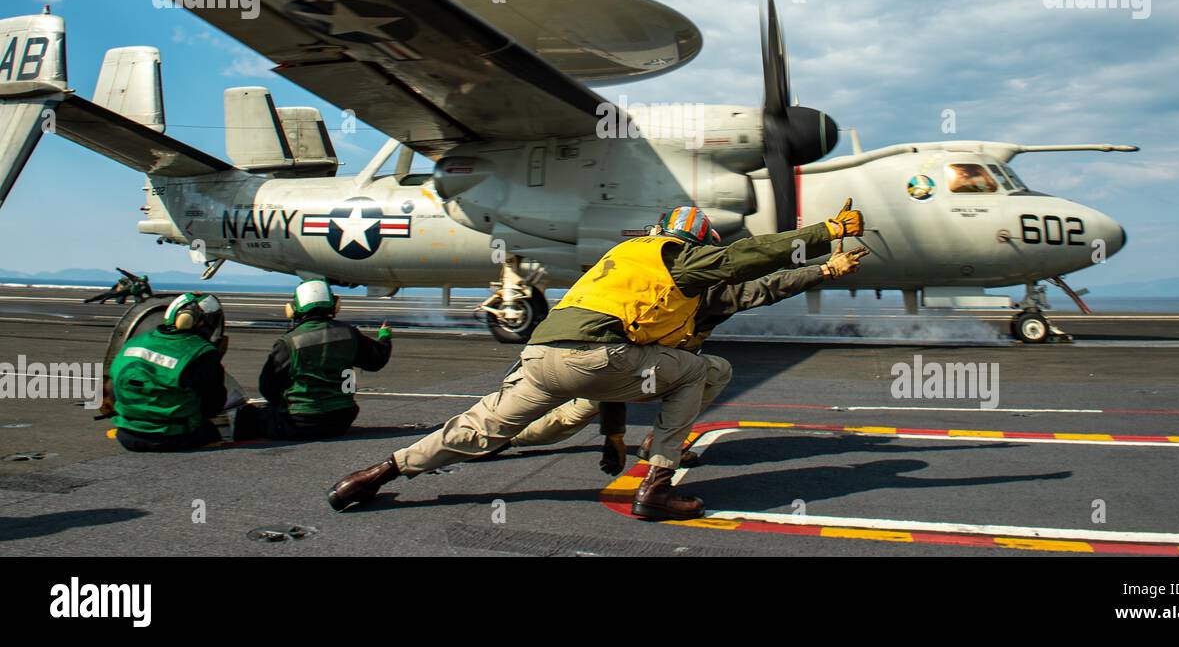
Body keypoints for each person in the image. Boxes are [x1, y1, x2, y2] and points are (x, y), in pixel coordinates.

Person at [327, 200, 864, 520]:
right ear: (693, 243)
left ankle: (376, 473)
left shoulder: (625, 259)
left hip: (543, 352)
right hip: (598, 358)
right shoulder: (677, 261)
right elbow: (746, 263)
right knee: (704, 370)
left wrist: (822, 271)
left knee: (478, 426)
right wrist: (826, 235)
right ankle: (656, 484)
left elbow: (756, 288)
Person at [509, 243, 868, 472]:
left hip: (656, 369)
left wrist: (824, 269)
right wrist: (615, 436)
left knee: (710, 372)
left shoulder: (709, 291)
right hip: (623, 367)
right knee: (573, 415)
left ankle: (658, 446)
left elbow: (768, 286)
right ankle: (510, 440)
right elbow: (764, 286)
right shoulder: (649, 291)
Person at [235, 280, 392, 441]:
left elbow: (267, 387)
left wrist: (284, 404)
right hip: (342, 419)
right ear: (335, 304)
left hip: (301, 422)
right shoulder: (349, 333)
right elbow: (376, 361)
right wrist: (384, 337)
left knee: (246, 415)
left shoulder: (289, 342)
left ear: (294, 308)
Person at [109, 292, 228, 452]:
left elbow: (113, 389)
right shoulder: (202, 353)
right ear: (204, 322)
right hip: (172, 437)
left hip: (126, 435)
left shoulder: (135, 342)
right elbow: (213, 406)